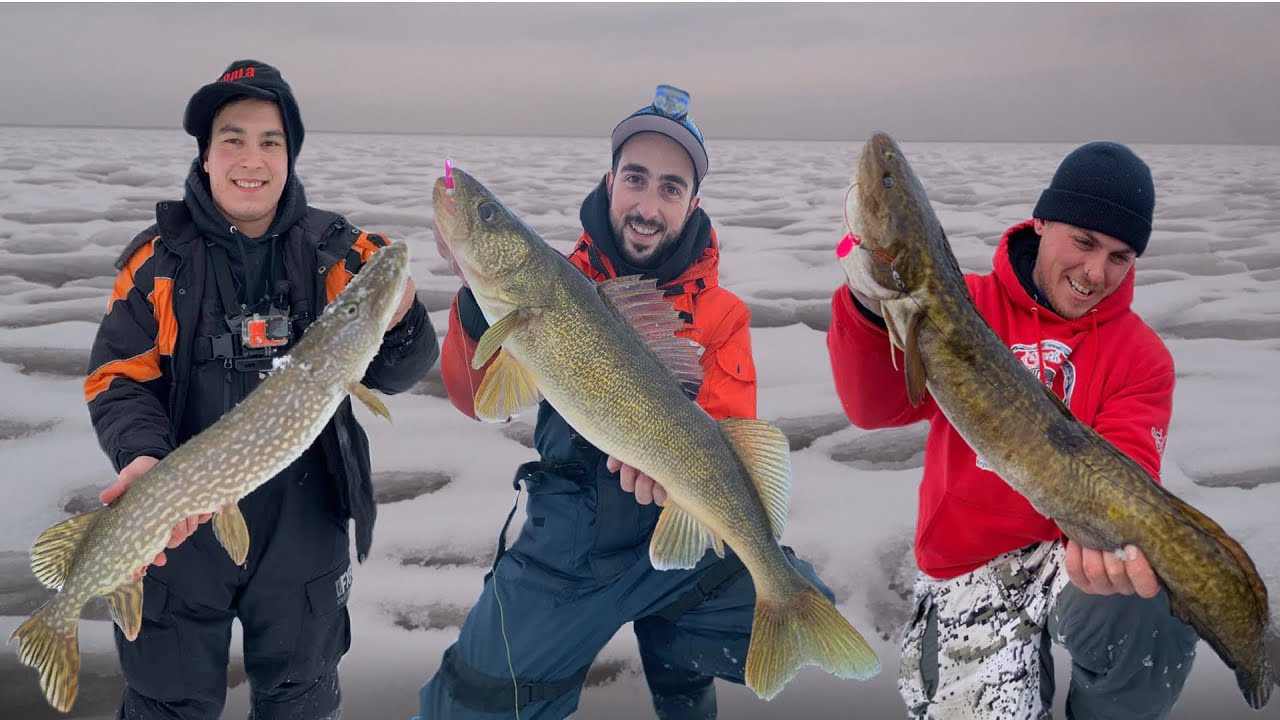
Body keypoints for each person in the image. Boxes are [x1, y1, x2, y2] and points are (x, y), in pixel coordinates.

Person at [418, 85, 837, 719]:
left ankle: (677, 654)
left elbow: (727, 432)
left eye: (670, 188)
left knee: (807, 600)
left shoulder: (721, 314)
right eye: (635, 178)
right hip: (567, 546)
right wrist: (478, 305)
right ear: (610, 181)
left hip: (677, 545)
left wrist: (677, 485)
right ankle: (653, 641)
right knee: (469, 706)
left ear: (692, 203)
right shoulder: (558, 282)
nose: (648, 203)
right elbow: (480, 400)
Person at [84, 59, 438, 720]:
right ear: (207, 155)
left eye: (270, 140)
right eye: (233, 138)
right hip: (180, 521)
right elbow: (119, 381)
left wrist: (400, 317)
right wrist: (141, 454)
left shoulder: (338, 252)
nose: (252, 158)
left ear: (291, 154)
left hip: (306, 529)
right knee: (166, 701)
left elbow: (395, 369)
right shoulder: (155, 261)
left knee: (300, 700)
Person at [826, 141, 1200, 718]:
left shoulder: (1142, 357)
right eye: (1084, 242)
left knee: (1153, 601)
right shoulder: (968, 304)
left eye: (1120, 257)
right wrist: (869, 306)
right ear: (1042, 221)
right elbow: (875, 408)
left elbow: (1124, 469)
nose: (1096, 272)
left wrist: (1105, 546)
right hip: (964, 566)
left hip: (1066, 558)